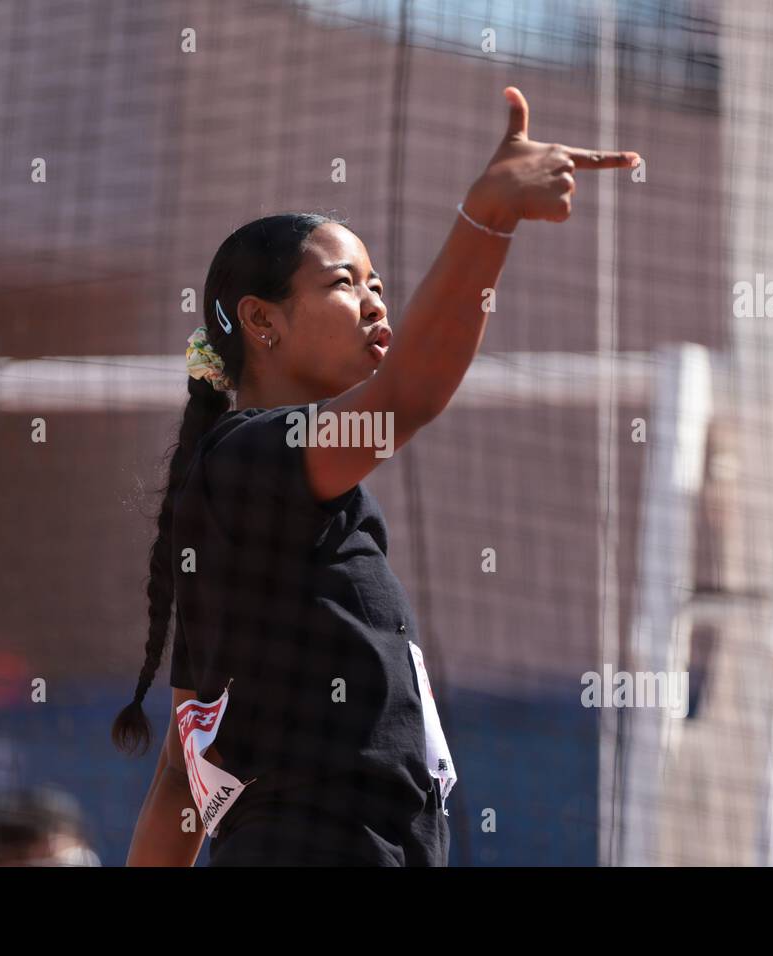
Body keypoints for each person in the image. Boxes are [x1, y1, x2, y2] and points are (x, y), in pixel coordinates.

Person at [118, 86, 639, 866]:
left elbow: (184, 776)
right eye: (344, 283)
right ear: (262, 321)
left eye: (379, 287)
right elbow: (406, 400)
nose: (374, 305)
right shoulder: (247, 457)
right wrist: (488, 215)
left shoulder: (247, 497)